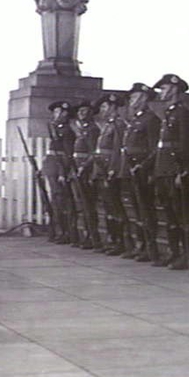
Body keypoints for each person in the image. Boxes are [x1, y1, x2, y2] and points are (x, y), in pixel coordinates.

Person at [152, 74, 189, 271]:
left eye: (164, 89)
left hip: (175, 170)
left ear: (173, 89)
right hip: (164, 169)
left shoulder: (183, 114)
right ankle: (175, 252)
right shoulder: (169, 114)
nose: (162, 92)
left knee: (182, 214)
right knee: (170, 215)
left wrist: (183, 170)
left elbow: (187, 145)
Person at [119, 83, 162, 265]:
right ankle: (141, 245)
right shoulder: (135, 120)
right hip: (131, 170)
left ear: (144, 99)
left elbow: (154, 150)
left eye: (134, 97)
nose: (131, 101)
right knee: (137, 209)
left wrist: (144, 167)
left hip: (143, 172)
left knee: (146, 210)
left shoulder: (151, 120)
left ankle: (151, 248)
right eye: (131, 98)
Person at [90, 93, 131, 256]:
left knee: (115, 206)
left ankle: (122, 242)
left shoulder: (119, 124)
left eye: (105, 107)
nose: (102, 110)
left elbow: (117, 150)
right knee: (108, 207)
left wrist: (113, 170)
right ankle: (113, 240)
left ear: (113, 107)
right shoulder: (107, 125)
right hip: (102, 170)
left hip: (110, 171)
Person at [42, 100, 78, 245]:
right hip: (52, 168)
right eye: (55, 112)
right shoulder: (55, 130)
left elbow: (67, 154)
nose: (56, 115)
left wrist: (64, 172)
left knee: (61, 201)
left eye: (59, 112)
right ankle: (57, 231)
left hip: (60, 169)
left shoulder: (67, 132)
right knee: (54, 201)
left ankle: (65, 232)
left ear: (66, 115)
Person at [71, 100, 101, 250]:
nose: (82, 113)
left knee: (88, 204)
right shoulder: (81, 129)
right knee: (82, 204)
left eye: (86, 111)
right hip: (77, 169)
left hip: (86, 171)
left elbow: (93, 152)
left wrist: (83, 167)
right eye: (80, 111)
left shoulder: (93, 130)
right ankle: (86, 234)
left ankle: (93, 236)